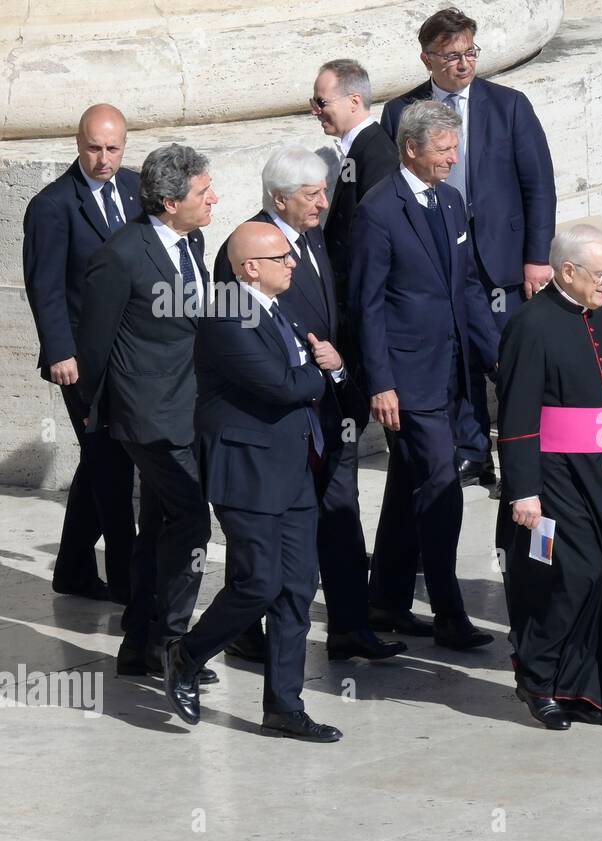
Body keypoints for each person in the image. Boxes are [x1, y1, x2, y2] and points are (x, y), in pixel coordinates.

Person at [212, 147, 406, 663]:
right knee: (263, 529)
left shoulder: (315, 236)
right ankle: (244, 630)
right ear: (280, 198)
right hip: (278, 420)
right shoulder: (244, 248)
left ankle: (349, 626)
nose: (324, 202)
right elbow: (241, 345)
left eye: (324, 191)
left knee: (340, 514)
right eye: (311, 194)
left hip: (329, 410)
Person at [164, 223, 342, 742]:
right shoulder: (226, 315)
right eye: (282, 257)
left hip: (293, 469)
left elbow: (297, 375)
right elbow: (283, 385)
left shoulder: (275, 307)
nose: (293, 263)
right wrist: (326, 371)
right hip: (247, 472)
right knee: (258, 583)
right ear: (249, 268)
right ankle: (187, 653)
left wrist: (325, 367)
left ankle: (284, 706)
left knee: (296, 589)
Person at [496, 226, 602, 729]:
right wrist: (523, 490)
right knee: (575, 574)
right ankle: (537, 678)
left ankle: (587, 688)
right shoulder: (531, 325)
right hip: (555, 475)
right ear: (567, 272)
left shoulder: (594, 311)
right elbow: (517, 414)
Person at [381, 5, 557, 489]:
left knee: (507, 361)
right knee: (458, 361)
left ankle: (527, 459)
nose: (463, 63)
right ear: (427, 59)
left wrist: (537, 257)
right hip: (440, 260)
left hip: (500, 261)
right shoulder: (400, 111)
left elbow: (538, 185)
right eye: (451, 55)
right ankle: (474, 452)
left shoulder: (509, 106)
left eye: (470, 52)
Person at [350, 99, 497, 648]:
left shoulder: (452, 202)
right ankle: (449, 612)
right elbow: (367, 305)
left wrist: (499, 358)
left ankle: (385, 600)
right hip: (409, 378)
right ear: (410, 148)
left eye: (455, 147)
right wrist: (381, 383)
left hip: (454, 369)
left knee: (409, 482)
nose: (453, 157)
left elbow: (469, 288)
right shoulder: (378, 210)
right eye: (444, 149)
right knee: (441, 484)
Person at [75, 144, 218, 683]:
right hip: (148, 417)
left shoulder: (193, 239)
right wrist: (109, 411)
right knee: (190, 521)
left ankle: (141, 643)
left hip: (190, 408)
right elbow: (93, 346)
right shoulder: (122, 254)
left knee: (159, 524)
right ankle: (176, 644)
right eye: (203, 193)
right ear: (168, 200)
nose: (213, 201)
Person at [21, 103, 137, 605]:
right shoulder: (53, 205)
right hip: (83, 363)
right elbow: (43, 286)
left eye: (113, 148)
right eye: (94, 148)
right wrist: (60, 352)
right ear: (77, 143)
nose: (104, 159)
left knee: (101, 456)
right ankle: (131, 581)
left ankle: (72, 568)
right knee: (111, 463)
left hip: (132, 354)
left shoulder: (136, 189)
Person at [314, 59, 399, 311]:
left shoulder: (378, 154)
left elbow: (375, 238)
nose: (315, 111)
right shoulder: (361, 147)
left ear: (354, 101)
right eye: (314, 102)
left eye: (321, 102)